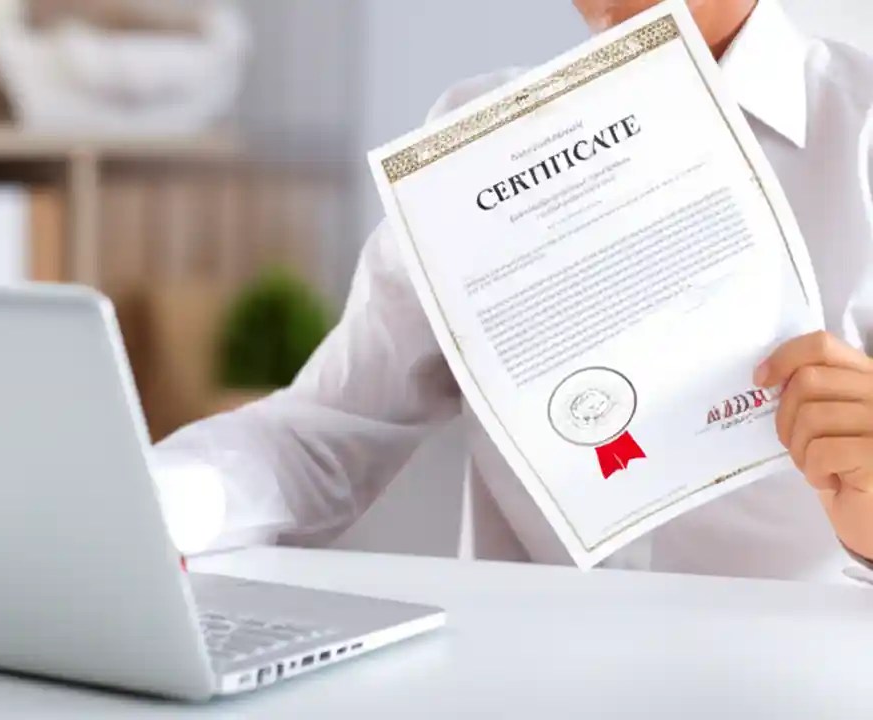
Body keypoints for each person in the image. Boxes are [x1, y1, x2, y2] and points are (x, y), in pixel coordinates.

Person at [152, 0, 873, 582]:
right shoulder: (475, 149)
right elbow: (326, 433)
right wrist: (147, 501)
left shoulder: (862, 128)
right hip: (511, 684)